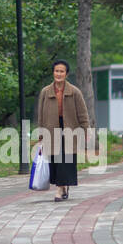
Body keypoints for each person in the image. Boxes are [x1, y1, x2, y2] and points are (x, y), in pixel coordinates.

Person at [35, 60, 92, 203]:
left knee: (65, 160)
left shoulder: (75, 92)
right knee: (55, 160)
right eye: (56, 71)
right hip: (51, 129)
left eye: (61, 71)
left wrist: (86, 131)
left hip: (70, 129)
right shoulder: (45, 92)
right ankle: (63, 186)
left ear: (66, 74)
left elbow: (83, 114)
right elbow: (40, 114)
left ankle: (60, 189)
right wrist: (40, 134)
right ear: (53, 72)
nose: (58, 74)